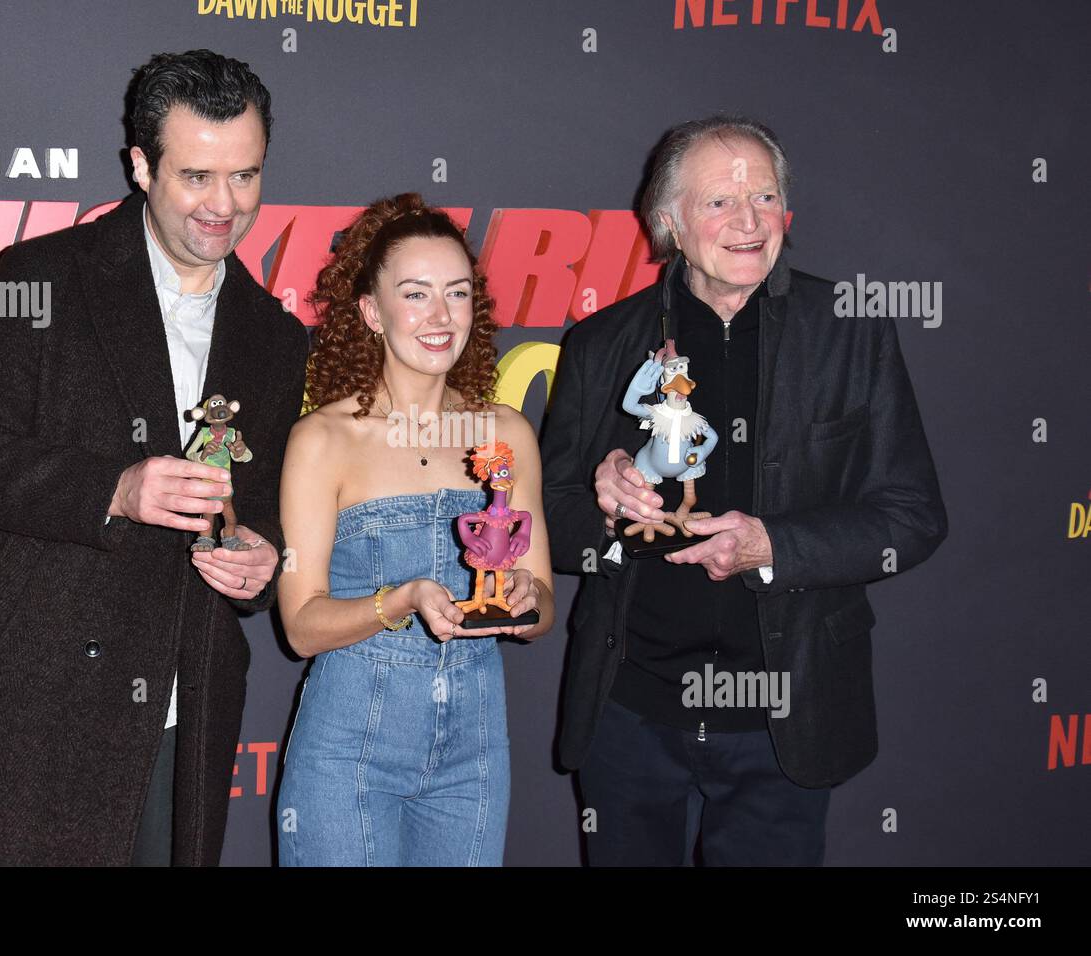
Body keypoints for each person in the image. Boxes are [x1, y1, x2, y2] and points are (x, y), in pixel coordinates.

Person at [0, 51, 308, 866]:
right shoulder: (41, 277)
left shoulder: (275, 336)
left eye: (245, 176)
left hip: (182, 713)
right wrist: (114, 488)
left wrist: (261, 557)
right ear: (141, 166)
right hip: (34, 704)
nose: (224, 205)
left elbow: (259, 507)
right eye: (197, 177)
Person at [541, 115, 947, 866]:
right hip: (629, 717)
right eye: (720, 202)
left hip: (783, 721)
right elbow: (549, 520)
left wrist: (772, 547)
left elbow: (912, 517)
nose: (749, 221)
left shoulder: (850, 332)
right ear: (668, 221)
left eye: (764, 197)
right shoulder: (601, 345)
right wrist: (603, 508)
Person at [274, 193, 554, 866]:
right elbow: (301, 626)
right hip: (348, 752)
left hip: (473, 753)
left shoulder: (506, 433)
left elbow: (543, 607)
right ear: (372, 312)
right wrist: (400, 600)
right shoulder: (323, 439)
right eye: (416, 294)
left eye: (457, 293)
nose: (440, 316)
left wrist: (525, 600)